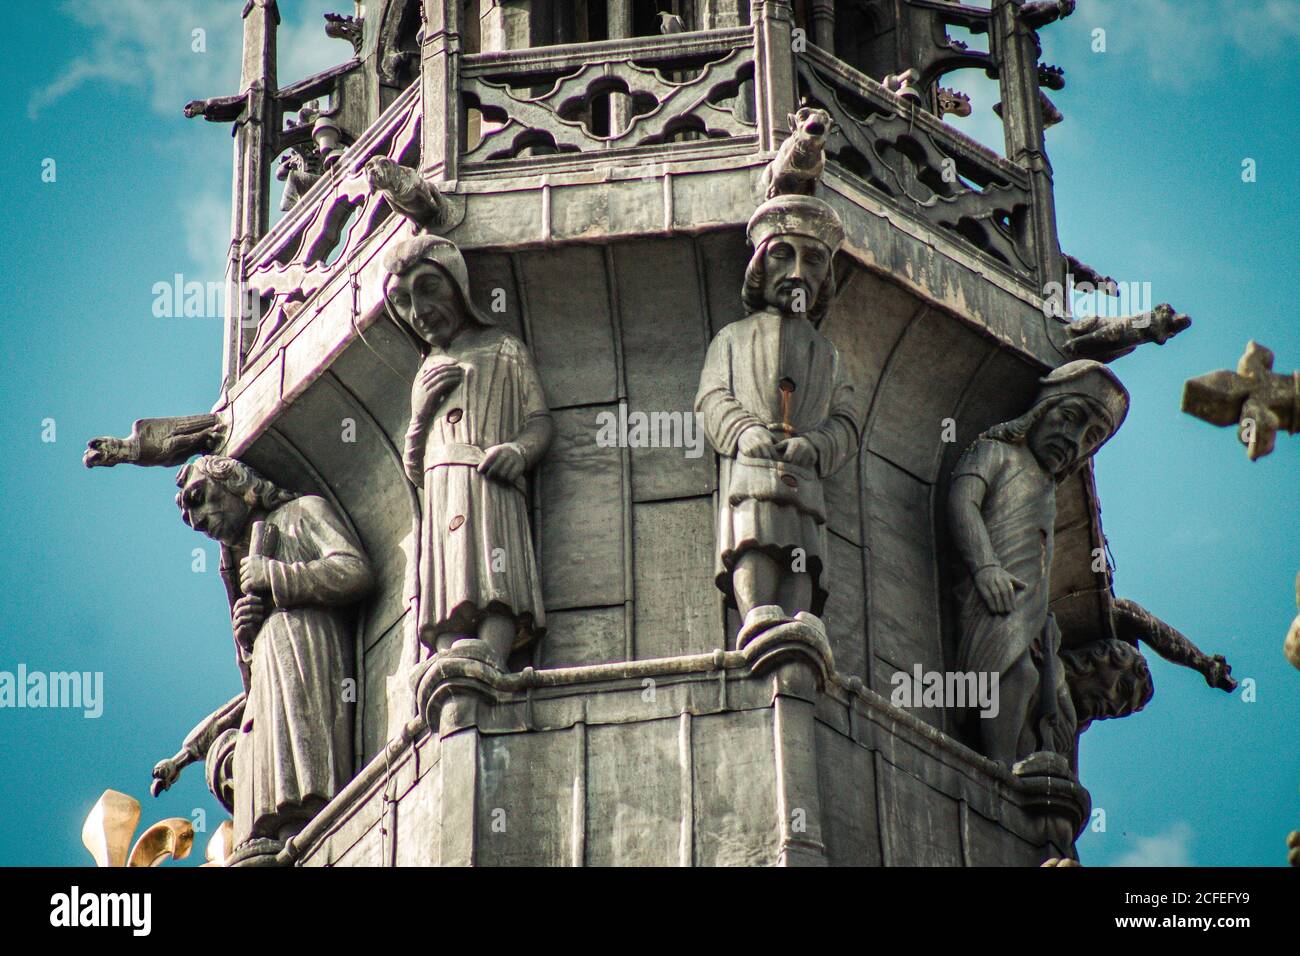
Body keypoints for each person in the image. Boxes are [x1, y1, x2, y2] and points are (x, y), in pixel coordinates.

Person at [175, 454, 373, 860]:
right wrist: (247, 632)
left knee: (303, 755)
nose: (196, 519)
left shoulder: (303, 511)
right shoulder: (243, 559)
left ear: (235, 481)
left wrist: (278, 577)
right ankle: (278, 833)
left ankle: (310, 825)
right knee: (269, 750)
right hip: (269, 661)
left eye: (198, 497)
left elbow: (355, 571)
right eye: (186, 515)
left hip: (306, 645)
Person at [695, 194, 863, 640]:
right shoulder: (733, 338)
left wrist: (817, 444)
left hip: (802, 467)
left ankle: (798, 620)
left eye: (812, 261)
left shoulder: (827, 355)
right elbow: (711, 396)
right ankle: (756, 613)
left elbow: (847, 420)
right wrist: (742, 429)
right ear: (760, 269)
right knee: (755, 534)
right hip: (752, 462)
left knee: (801, 545)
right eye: (782, 256)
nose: (796, 273)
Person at [383, 235, 553, 669]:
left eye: (429, 288)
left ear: (457, 284)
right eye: (402, 300)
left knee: (493, 565)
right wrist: (418, 414)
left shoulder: (503, 349)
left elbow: (538, 421)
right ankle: (447, 651)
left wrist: (519, 450)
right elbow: (413, 467)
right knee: (448, 571)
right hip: (441, 487)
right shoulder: (424, 371)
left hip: (488, 477)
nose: (418, 312)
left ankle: (494, 650)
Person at [948, 360, 1128, 767]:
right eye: (1068, 419)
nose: (1074, 439)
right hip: (996, 588)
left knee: (1034, 687)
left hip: (1028, 603)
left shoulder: (1047, 486)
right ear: (1040, 413)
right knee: (1017, 675)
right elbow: (963, 502)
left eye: (1091, 436)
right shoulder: (995, 451)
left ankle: (1015, 762)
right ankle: (997, 765)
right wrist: (985, 567)